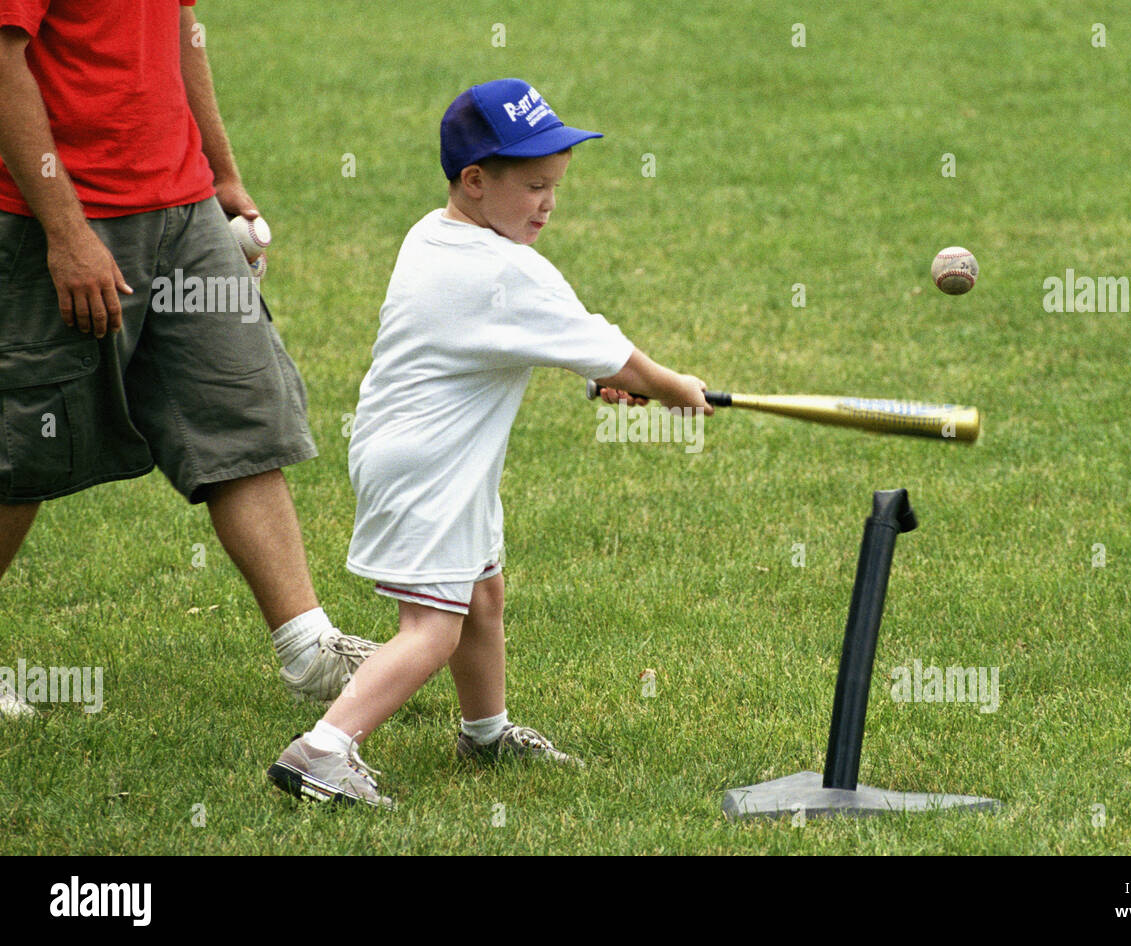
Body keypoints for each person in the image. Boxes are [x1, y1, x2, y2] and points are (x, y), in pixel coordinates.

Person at [267, 78, 712, 808]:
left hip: (421, 453)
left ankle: (486, 733)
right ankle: (323, 750)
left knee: (481, 593)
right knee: (432, 628)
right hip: (429, 466)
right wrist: (674, 389)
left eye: (556, 185)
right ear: (475, 181)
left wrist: (606, 380)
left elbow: (507, 344)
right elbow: (618, 356)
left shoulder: (432, 234)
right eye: (534, 184)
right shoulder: (507, 270)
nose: (548, 203)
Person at [0, 1, 377, 711]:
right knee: (22, 448)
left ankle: (308, 649)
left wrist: (220, 171)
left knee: (241, 413)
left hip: (184, 206)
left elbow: (180, 29)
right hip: (56, 216)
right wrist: (66, 232)